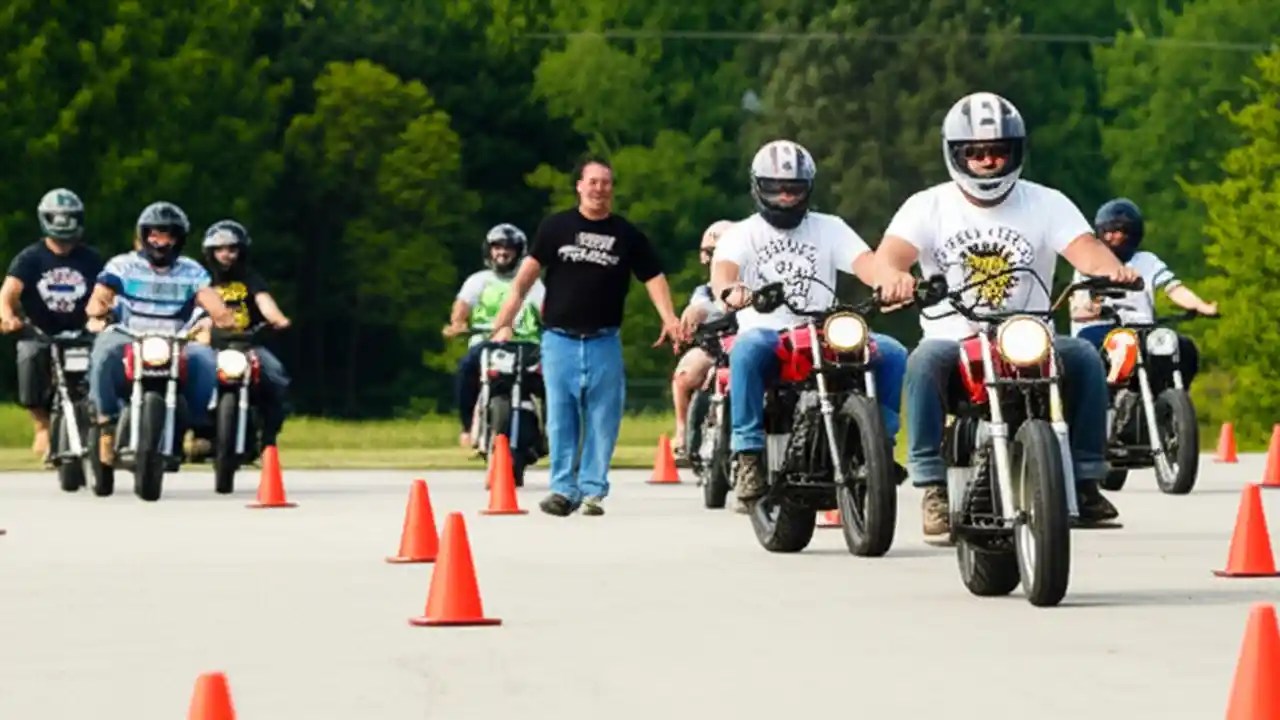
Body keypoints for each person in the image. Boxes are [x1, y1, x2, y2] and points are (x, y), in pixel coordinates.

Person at [873, 91, 1141, 542]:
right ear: (956, 154)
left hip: (1028, 334)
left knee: (1083, 357)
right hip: (953, 338)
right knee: (922, 362)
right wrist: (892, 279)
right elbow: (888, 259)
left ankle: (1085, 477)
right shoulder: (928, 206)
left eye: (999, 151)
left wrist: (1112, 269)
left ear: (1015, 152)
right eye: (975, 153)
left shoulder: (1046, 202)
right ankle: (932, 485)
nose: (988, 162)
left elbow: (1086, 249)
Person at [711, 139, 910, 513]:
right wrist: (731, 291)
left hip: (823, 330)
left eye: (794, 188)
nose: (786, 196)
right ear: (759, 187)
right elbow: (723, 273)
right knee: (747, 348)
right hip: (769, 331)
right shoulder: (741, 233)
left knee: (893, 353)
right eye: (776, 187)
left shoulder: (829, 228)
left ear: (808, 188)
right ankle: (748, 455)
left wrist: (890, 279)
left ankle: (879, 448)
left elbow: (867, 263)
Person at [489, 157, 684, 517]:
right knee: (561, 417)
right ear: (579, 186)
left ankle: (593, 490)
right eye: (593, 182)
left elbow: (653, 277)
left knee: (603, 419)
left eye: (606, 183)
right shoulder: (556, 228)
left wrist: (670, 318)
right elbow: (524, 280)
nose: (599, 189)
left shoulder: (626, 235)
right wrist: (505, 322)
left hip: (604, 341)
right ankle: (563, 489)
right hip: (559, 339)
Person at [82, 201, 237, 466]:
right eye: (155, 234)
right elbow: (100, 296)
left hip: (176, 339)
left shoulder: (192, 271)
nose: (161, 241)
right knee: (104, 350)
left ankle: (194, 425)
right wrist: (98, 308)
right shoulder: (122, 265)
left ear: (179, 239)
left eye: (168, 235)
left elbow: (209, 299)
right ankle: (106, 424)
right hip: (129, 334)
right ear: (144, 235)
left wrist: (222, 317)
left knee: (205, 358)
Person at [0, 188, 104, 461]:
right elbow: (8, 292)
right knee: (28, 355)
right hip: (41, 333)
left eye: (69, 216)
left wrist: (103, 316)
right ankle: (42, 425)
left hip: (84, 333)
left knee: (109, 358)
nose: (63, 222)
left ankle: (106, 425)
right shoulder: (30, 257)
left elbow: (109, 291)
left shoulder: (91, 259)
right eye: (57, 216)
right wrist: (7, 316)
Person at [1070, 197, 1218, 386]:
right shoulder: (1088, 265)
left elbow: (1174, 289)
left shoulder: (1147, 261)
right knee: (1089, 355)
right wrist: (1095, 309)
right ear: (1100, 233)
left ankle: (1173, 399)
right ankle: (1104, 400)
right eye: (1110, 231)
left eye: (1123, 231)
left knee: (1183, 348)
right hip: (1100, 331)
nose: (1116, 237)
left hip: (1142, 331)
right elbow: (1078, 309)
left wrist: (1201, 305)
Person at [193, 219, 294, 452]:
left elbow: (264, 302)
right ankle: (190, 433)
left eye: (232, 249)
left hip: (246, 343)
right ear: (210, 252)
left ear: (242, 251)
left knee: (275, 375)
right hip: (208, 345)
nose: (226, 255)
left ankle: (267, 437)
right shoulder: (199, 278)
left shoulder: (251, 278)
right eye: (219, 249)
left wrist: (278, 319)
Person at [443, 223, 546, 448]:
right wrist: (458, 323)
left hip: (526, 345)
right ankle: (468, 427)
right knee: (465, 370)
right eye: (496, 247)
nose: (502, 252)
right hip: (486, 344)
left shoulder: (531, 281)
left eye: (508, 247)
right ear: (489, 251)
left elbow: (544, 308)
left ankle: (553, 432)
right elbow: (462, 305)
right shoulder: (478, 280)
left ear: (519, 252)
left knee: (553, 379)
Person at [670, 218, 734, 464]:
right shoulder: (704, 291)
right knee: (684, 377)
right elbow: (700, 306)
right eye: (711, 254)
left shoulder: (750, 282)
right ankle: (682, 436)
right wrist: (696, 314)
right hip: (715, 350)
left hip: (741, 345)